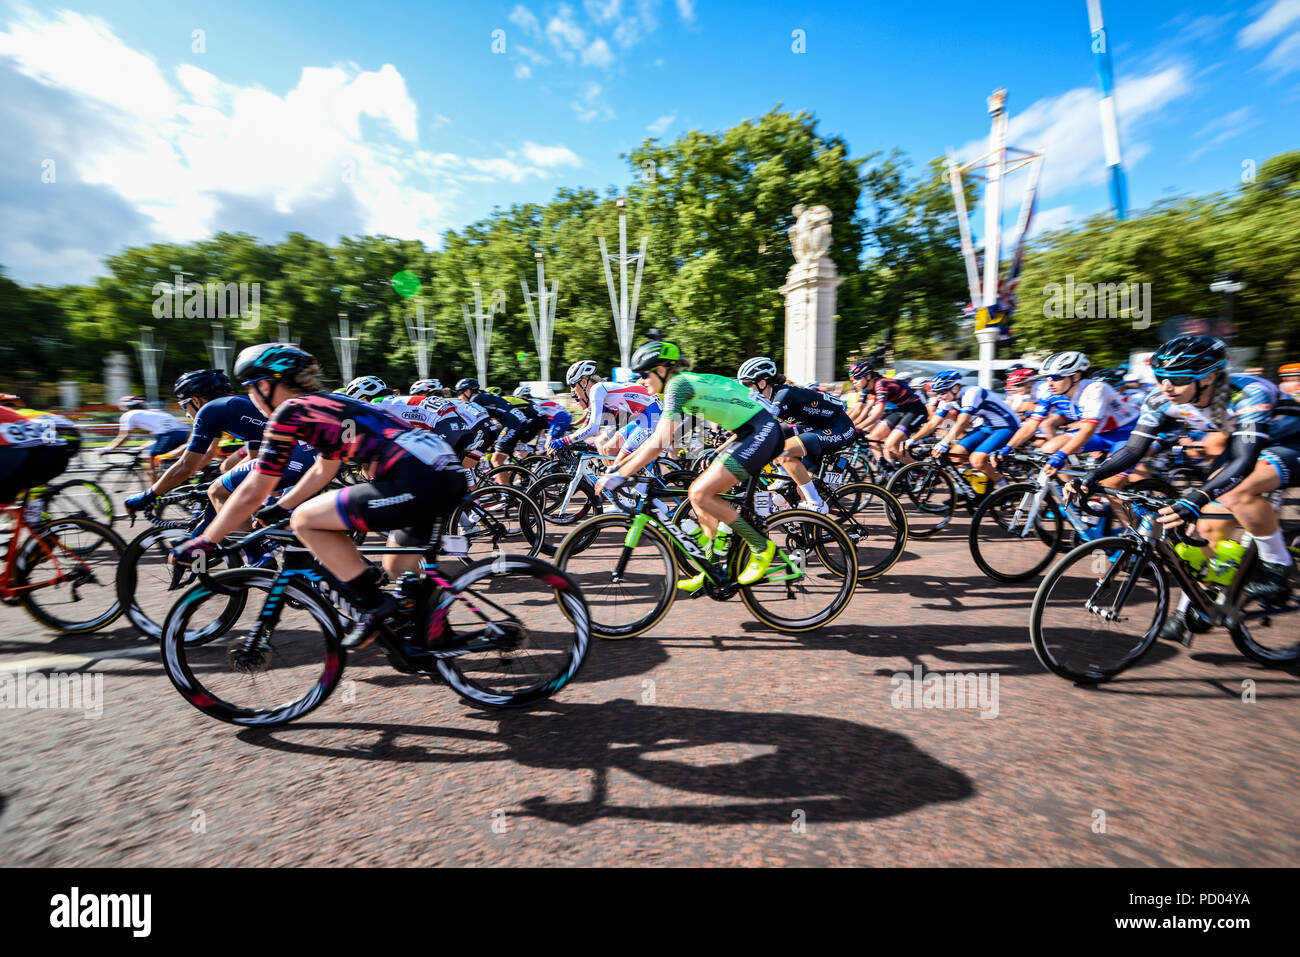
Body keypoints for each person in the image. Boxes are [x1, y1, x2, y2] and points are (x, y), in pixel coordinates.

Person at [171, 343, 467, 639]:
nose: (250, 396)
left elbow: (255, 488)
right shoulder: (327, 405)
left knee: (306, 520)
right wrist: (281, 506)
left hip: (418, 478)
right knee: (399, 568)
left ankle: (373, 608)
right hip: (444, 473)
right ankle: (439, 639)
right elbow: (324, 468)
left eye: (250, 388)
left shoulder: (290, 412)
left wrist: (206, 541)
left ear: (265, 385)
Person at [1075, 335, 1300, 638]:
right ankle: (1192, 607)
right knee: (1206, 530)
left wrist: (1196, 497)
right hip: (1243, 443)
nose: (1166, 386)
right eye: (1161, 377)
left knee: (1238, 492)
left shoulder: (1248, 393)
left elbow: (1245, 460)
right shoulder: (1160, 400)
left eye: (1178, 379)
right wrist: (1092, 477)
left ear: (1208, 377)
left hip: (1287, 442)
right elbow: (1132, 451)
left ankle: (1277, 567)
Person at [594, 341, 787, 592]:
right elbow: (657, 440)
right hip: (746, 432)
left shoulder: (678, 385)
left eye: (644, 374)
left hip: (761, 431)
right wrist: (619, 467)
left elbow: (660, 441)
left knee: (700, 492)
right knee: (697, 496)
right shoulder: (678, 386)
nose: (640, 381)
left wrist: (621, 474)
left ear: (662, 370)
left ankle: (761, 547)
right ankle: (713, 566)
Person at [994, 351, 1139, 480]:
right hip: (1100, 433)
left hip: (1126, 433)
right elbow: (1032, 424)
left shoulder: (1095, 389)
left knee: (1111, 483)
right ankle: (1071, 501)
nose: (1050, 383)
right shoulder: (1050, 393)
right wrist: (1007, 448)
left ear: (1075, 376)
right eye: (1047, 377)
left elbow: (1088, 429)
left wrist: (1062, 455)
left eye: (1056, 377)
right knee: (1048, 449)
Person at [737, 356, 855, 512]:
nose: (745, 390)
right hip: (816, 428)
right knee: (802, 490)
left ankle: (816, 502)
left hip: (839, 427)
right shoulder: (767, 397)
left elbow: (767, 423)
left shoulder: (783, 394)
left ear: (762, 382)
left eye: (747, 384)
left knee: (783, 451)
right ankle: (810, 524)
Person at [919, 370, 1021, 486]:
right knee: (956, 455)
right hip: (987, 426)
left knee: (977, 460)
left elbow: (963, 422)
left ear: (955, 388)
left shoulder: (972, 393)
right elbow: (932, 423)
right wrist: (912, 440)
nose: (939, 396)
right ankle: (972, 486)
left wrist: (944, 442)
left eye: (942, 392)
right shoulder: (948, 398)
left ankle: (1007, 490)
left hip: (1007, 426)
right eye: (936, 392)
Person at [553, 360, 661, 464]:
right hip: (641, 417)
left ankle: (637, 482)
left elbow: (593, 429)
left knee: (620, 463)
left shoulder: (597, 389)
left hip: (652, 415)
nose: (572, 391)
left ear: (584, 382)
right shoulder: (598, 393)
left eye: (573, 385)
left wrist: (563, 441)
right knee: (609, 450)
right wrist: (568, 441)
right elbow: (586, 426)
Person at [845, 360, 928, 468]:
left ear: (868, 376)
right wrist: (844, 423)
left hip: (915, 409)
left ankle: (922, 472)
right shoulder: (867, 389)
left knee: (891, 445)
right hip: (900, 410)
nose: (854, 382)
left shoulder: (881, 384)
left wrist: (859, 427)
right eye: (852, 379)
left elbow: (878, 412)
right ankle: (888, 472)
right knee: (873, 438)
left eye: (857, 378)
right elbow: (858, 408)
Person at [0, 405, 80, 507]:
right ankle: (33, 515)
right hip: (56, 450)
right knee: (15, 493)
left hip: (37, 452)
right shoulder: (11, 411)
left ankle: (33, 513)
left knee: (8, 493)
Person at [99, 396, 190, 482]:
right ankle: (181, 480)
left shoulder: (129, 415)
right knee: (169, 459)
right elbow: (159, 436)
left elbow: (124, 437)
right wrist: (143, 447)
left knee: (150, 462)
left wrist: (108, 448)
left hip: (168, 435)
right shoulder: (152, 412)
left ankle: (154, 493)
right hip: (182, 433)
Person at [454, 377, 530, 480]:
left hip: (513, 423)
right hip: (516, 421)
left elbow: (473, 423)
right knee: (497, 450)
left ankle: (506, 494)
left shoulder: (475, 400)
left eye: (459, 393)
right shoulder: (483, 396)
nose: (459, 397)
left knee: (496, 460)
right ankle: (520, 476)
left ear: (468, 391)